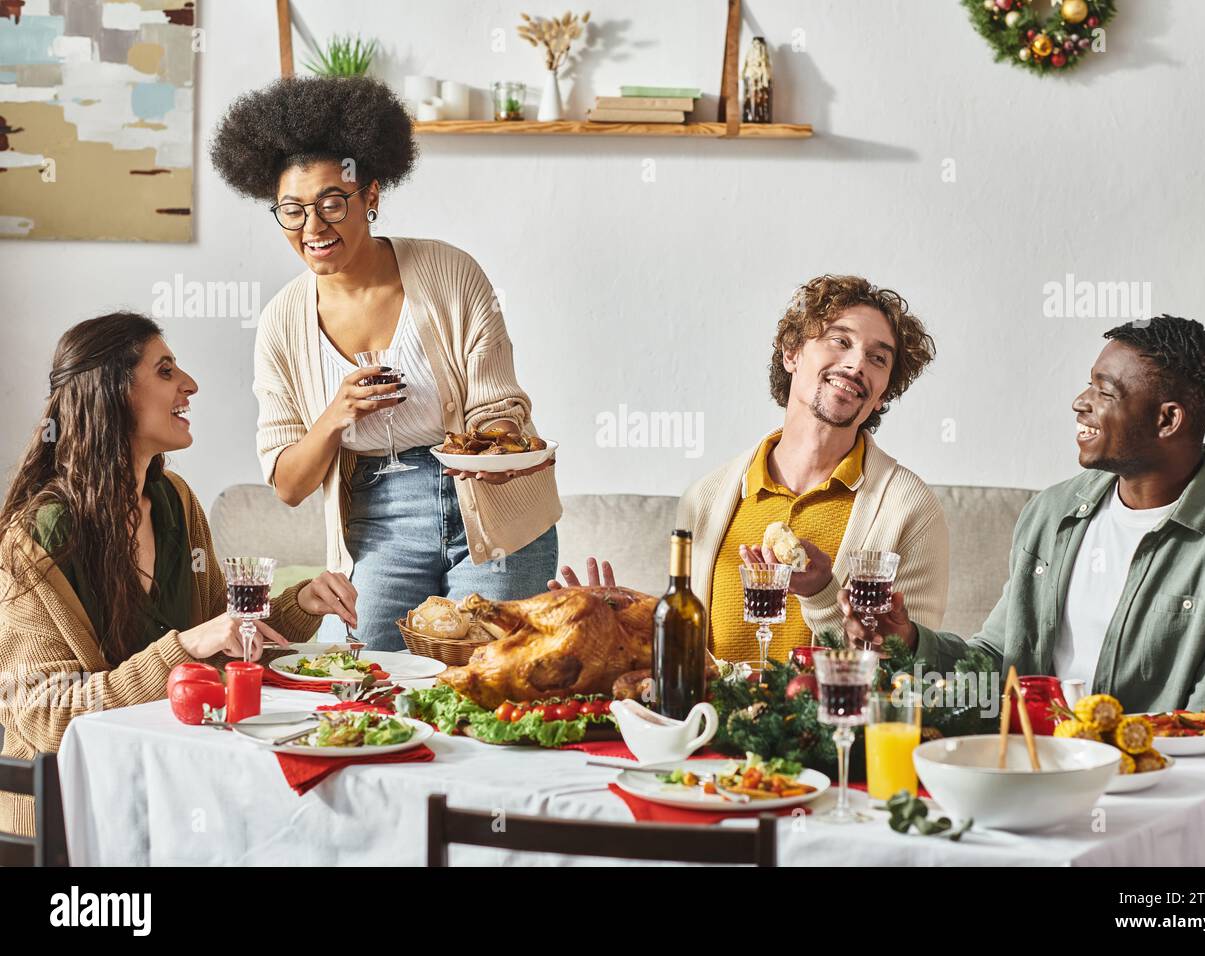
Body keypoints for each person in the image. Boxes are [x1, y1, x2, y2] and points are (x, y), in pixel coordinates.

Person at [210, 76, 561, 650]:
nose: (313, 228)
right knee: (371, 681)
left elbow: (501, 405)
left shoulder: (450, 273)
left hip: (494, 506)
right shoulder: (280, 322)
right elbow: (289, 484)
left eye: (331, 203)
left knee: (490, 679)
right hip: (378, 518)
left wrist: (494, 442)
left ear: (370, 195)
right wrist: (335, 416)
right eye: (293, 211)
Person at [842, 316, 1205, 730]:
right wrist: (909, 639)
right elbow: (1001, 663)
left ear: (1168, 419)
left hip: (1145, 798)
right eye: (1088, 386)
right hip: (1021, 769)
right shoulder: (1054, 513)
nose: (1081, 403)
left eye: (1105, 392)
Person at [0, 313, 355, 836]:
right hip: (72, 812)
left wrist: (299, 605)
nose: (190, 384)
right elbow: (44, 712)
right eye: (165, 371)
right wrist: (184, 649)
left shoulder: (176, 504)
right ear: (112, 394)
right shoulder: (37, 539)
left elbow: (221, 636)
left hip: (172, 783)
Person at [553, 275, 949, 664]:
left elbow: (907, 673)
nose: (856, 363)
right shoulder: (706, 499)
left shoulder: (909, 509)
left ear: (883, 394)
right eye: (840, 341)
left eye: (877, 358)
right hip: (711, 726)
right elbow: (689, 657)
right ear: (791, 352)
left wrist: (823, 595)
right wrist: (623, 626)